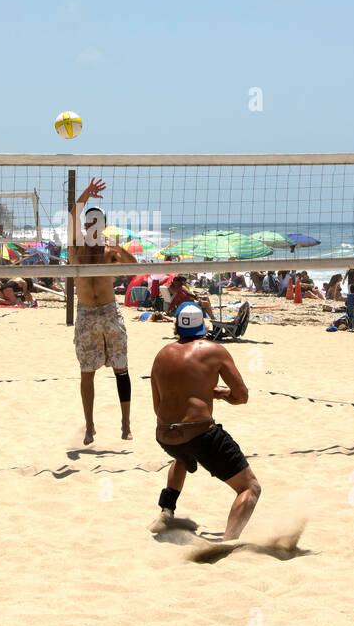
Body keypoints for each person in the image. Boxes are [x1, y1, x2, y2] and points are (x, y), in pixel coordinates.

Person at [149, 302, 260, 540]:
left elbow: (158, 406)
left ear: (177, 327)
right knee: (250, 487)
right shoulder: (214, 350)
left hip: (165, 435)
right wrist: (223, 395)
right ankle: (228, 541)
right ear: (202, 327)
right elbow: (242, 396)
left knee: (181, 457)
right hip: (199, 433)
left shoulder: (161, 355)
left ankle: (166, 512)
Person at [69, 178, 137, 445]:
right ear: (86, 226)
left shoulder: (110, 250)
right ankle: (90, 426)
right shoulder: (76, 245)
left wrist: (118, 248)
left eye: (98, 223)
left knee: (121, 368)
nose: (93, 227)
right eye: (89, 223)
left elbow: (134, 266)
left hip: (109, 311)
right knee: (87, 371)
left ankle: (125, 423)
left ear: (104, 226)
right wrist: (86, 194)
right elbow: (73, 215)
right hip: (86, 312)